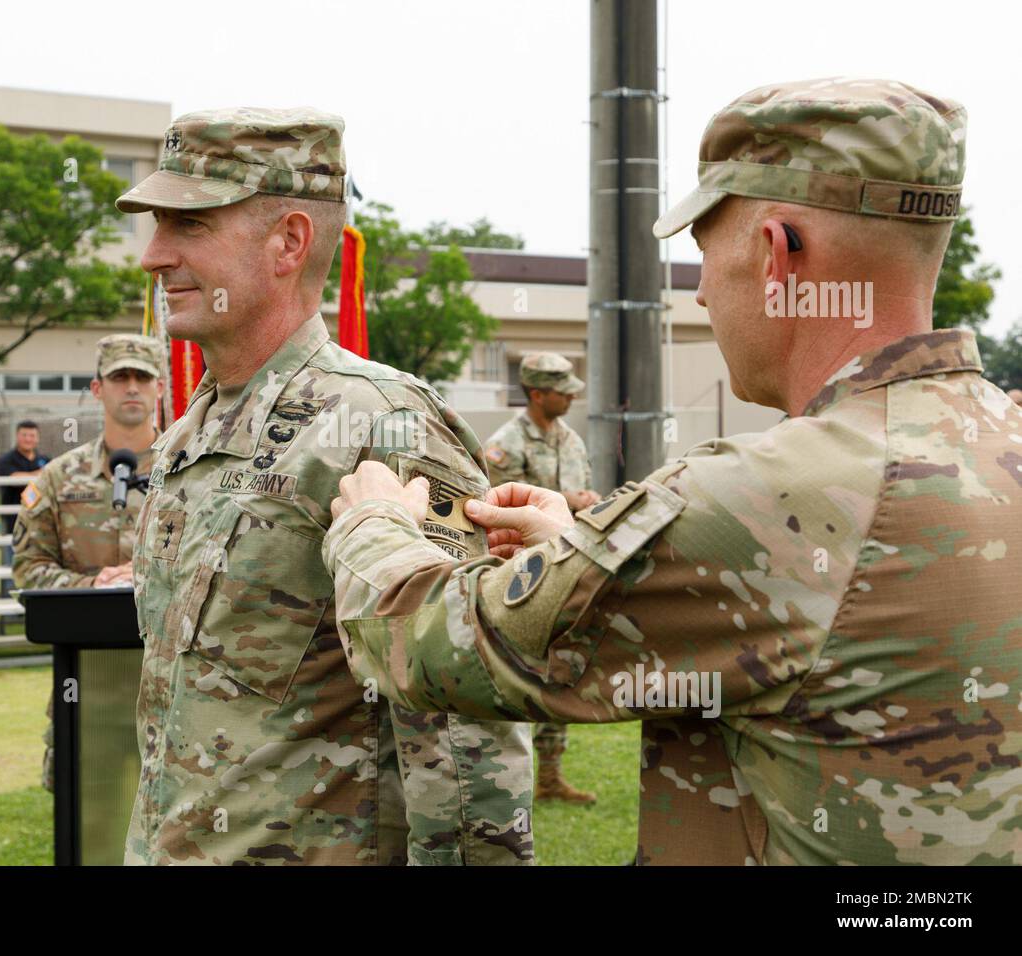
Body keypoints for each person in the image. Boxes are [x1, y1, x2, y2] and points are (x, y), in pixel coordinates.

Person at [322, 78, 1022, 865]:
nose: (699, 298)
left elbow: (429, 646)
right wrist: (588, 550)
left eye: (704, 260)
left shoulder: (770, 492)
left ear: (776, 252)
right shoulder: (998, 442)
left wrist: (374, 522)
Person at [117, 107, 533, 865]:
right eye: (156, 226)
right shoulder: (189, 435)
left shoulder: (381, 423)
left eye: (189, 226)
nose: (154, 256)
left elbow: (463, 715)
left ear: (289, 241)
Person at [12, 335, 161, 791]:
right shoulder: (58, 479)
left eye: (142, 378)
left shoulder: (193, 469)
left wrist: (146, 580)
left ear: (160, 388)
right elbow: (28, 569)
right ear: (98, 389)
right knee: (86, 817)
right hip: (86, 677)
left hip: (169, 682)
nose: (131, 387)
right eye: (120, 377)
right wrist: (93, 584)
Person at [484, 352, 599, 803]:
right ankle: (507, 779)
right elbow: (497, 506)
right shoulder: (504, 444)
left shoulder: (570, 438)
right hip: (517, 572)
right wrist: (567, 499)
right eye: (562, 390)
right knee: (516, 674)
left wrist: (588, 501)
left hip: (564, 566)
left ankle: (549, 776)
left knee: (558, 668)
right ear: (536, 394)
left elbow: (578, 493)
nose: (572, 396)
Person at [0, 420, 50, 590]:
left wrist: (37, 475)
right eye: (24, 435)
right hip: (13, 522)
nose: (28, 439)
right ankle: (8, 606)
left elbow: (52, 480)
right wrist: (38, 475)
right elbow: (13, 479)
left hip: (40, 522)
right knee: (11, 563)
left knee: (39, 563)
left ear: (37, 438)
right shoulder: (6, 460)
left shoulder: (45, 460)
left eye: (32, 435)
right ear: (17, 436)